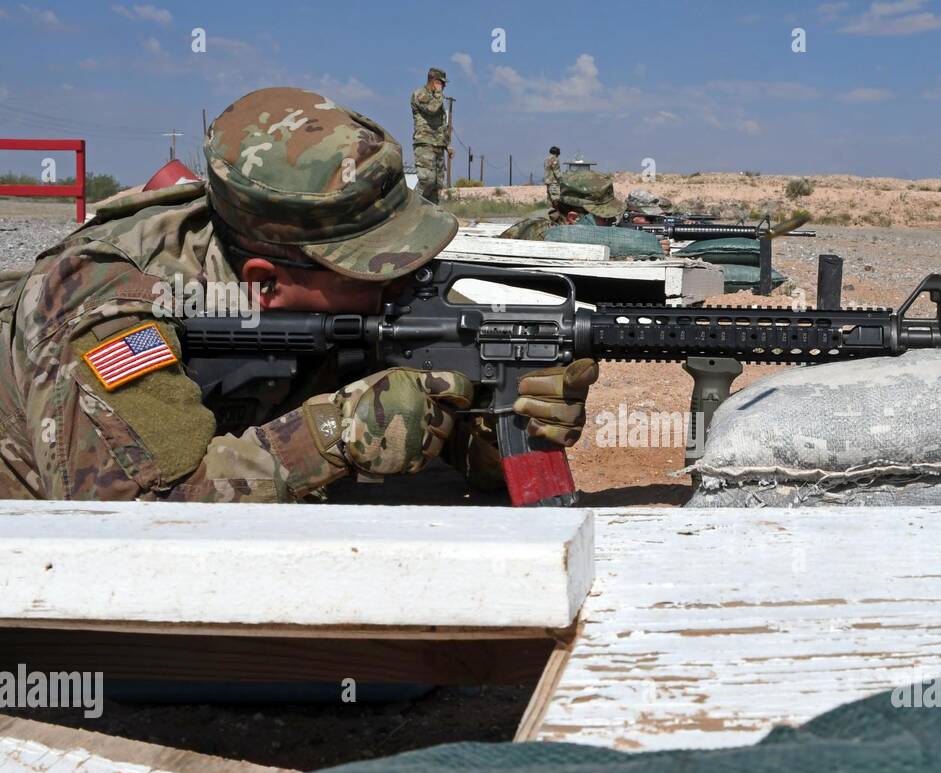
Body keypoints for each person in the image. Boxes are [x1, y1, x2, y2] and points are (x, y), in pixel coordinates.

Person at [0, 86, 596, 502]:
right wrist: (336, 433)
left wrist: (495, 426)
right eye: (374, 268)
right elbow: (132, 518)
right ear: (264, 282)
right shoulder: (108, 303)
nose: (402, 282)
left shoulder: (356, 296)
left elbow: (428, 421)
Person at [500, 171, 669, 253]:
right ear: (574, 218)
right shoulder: (539, 229)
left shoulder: (564, 226)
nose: (611, 222)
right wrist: (644, 246)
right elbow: (567, 240)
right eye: (604, 218)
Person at [411, 67, 454, 203]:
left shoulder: (438, 98)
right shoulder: (420, 94)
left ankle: (431, 215)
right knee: (426, 180)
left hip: (439, 145)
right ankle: (410, 207)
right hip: (425, 143)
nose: (444, 86)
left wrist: (448, 145)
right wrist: (438, 94)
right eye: (442, 82)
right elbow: (432, 109)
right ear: (434, 81)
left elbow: (442, 124)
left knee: (436, 184)